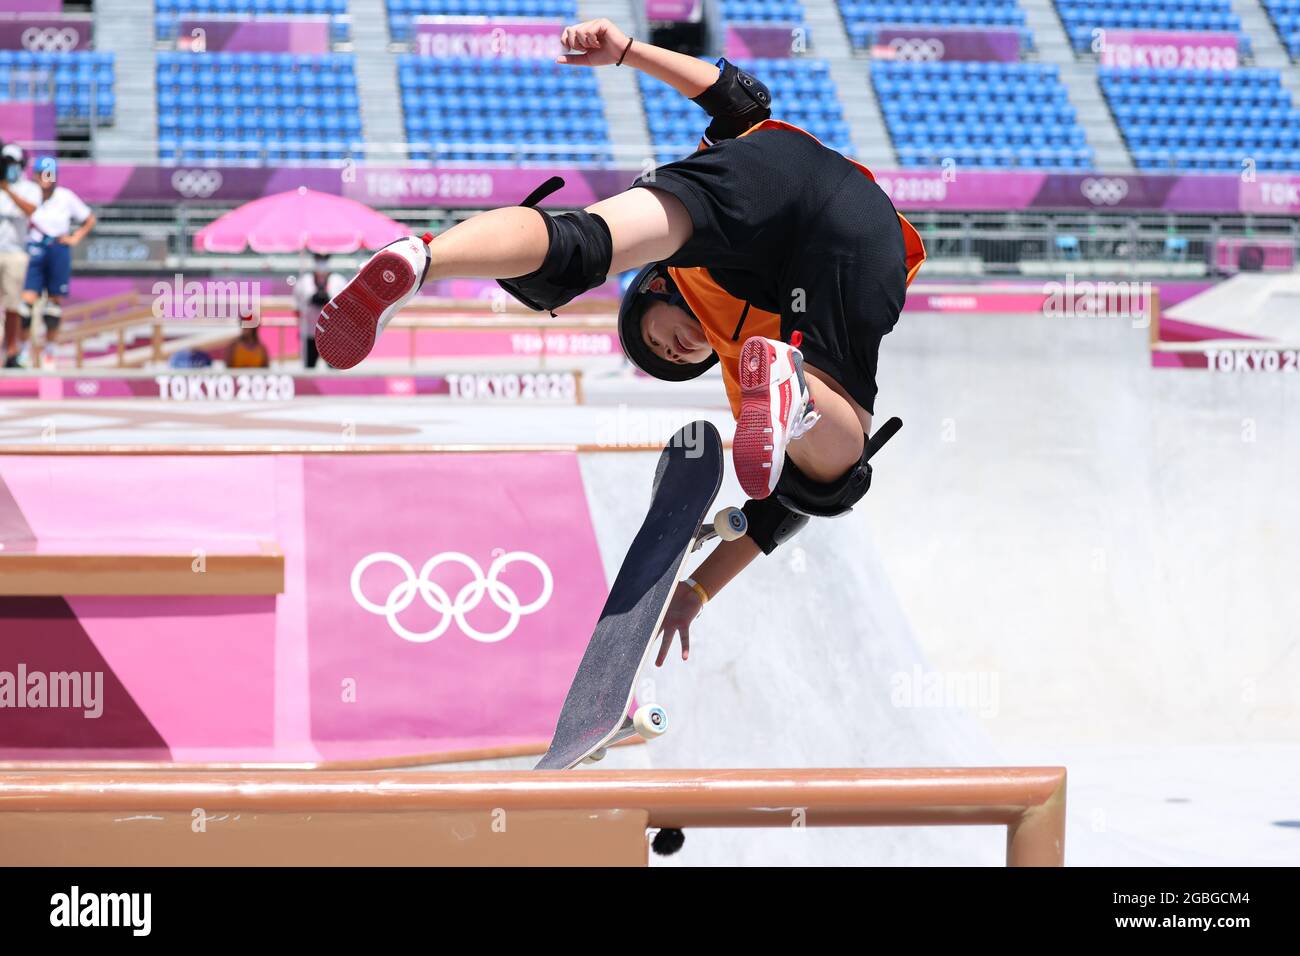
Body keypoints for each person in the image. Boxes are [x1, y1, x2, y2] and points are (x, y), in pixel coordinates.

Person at [314, 19, 926, 664]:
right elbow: (780, 510)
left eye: (659, 342)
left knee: (590, 239)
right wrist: (697, 588)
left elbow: (739, 98)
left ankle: (432, 251)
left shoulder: (682, 267)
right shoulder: (743, 370)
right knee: (831, 477)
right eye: (675, 360)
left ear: (654, 291)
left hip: (783, 180)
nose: (680, 350)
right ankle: (422, 259)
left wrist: (630, 52)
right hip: (850, 242)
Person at [20, 157, 95, 367]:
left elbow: (89, 219)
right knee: (25, 305)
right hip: (33, 250)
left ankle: (49, 351)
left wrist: (74, 238)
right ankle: (24, 350)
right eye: (42, 173)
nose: (46, 178)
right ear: (34, 175)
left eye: (49, 173)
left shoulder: (65, 197)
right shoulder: (28, 196)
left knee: (53, 306)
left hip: (57, 250)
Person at [0, 144, 41, 367]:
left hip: (15, 253)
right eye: (5, 164)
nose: (9, 168)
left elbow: (30, 210)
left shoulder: (28, 188)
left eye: (12, 164)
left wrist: (8, 190)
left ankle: (11, 351)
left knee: (13, 306)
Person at [293, 253, 344, 368]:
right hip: (310, 332)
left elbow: (344, 309)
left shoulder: (338, 281)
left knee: (334, 369)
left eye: (325, 258)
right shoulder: (304, 282)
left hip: (332, 334)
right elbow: (297, 308)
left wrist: (328, 300)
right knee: (308, 369)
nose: (321, 262)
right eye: (318, 258)